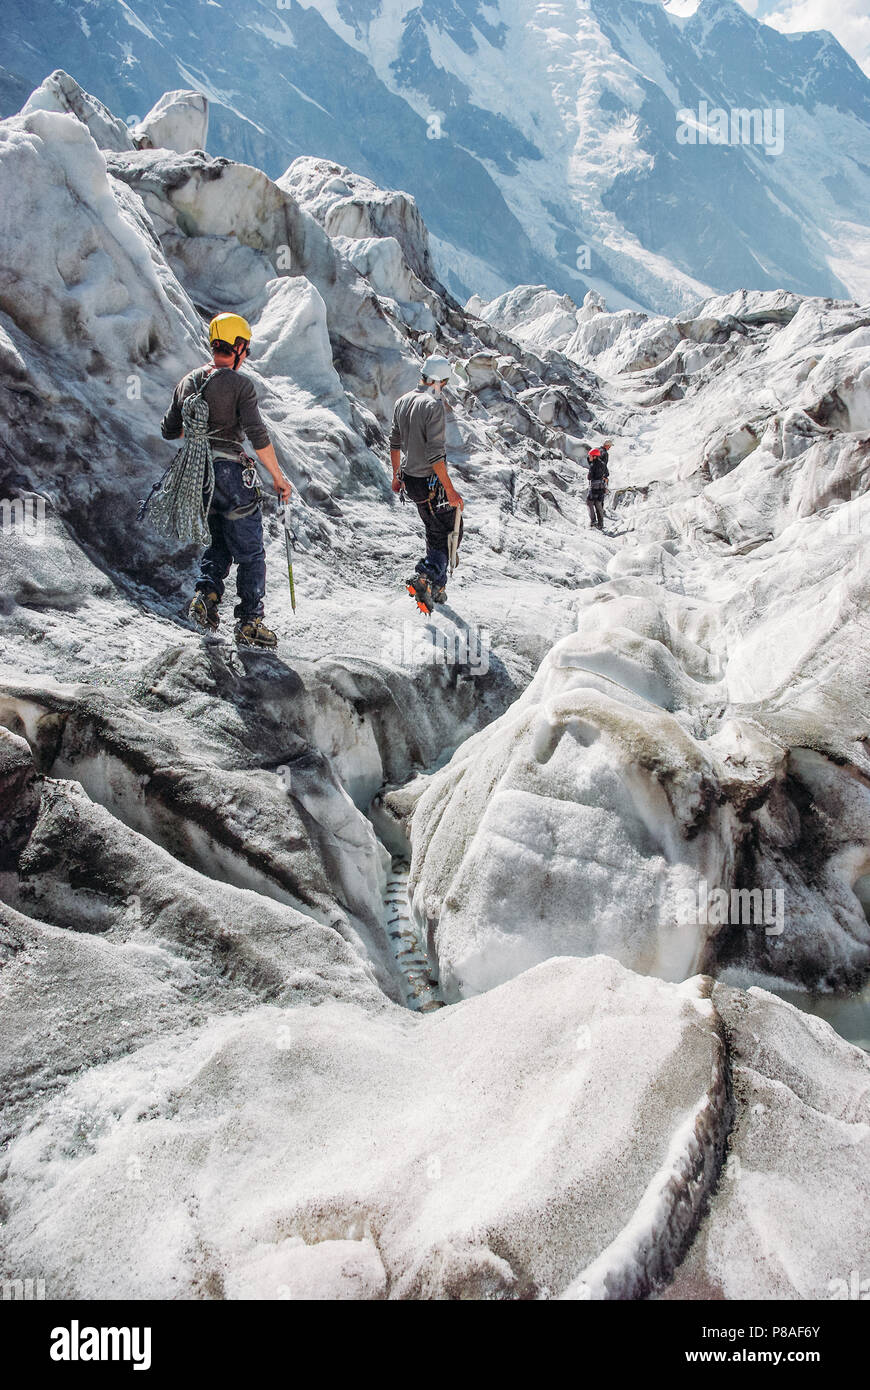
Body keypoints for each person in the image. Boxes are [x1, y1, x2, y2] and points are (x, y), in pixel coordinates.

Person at [161, 313, 292, 649]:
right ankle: (250, 622)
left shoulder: (187, 382)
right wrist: (278, 478)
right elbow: (257, 435)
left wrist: (200, 424)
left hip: (200, 477)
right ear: (237, 347)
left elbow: (169, 430)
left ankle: (206, 598)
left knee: (219, 541)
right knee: (251, 553)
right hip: (232, 473)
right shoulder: (240, 385)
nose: (245, 355)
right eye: (245, 349)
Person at [390, 354, 464, 613]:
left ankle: (437, 587)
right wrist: (451, 490)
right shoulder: (433, 405)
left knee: (435, 530)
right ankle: (425, 577)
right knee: (449, 533)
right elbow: (435, 455)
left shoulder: (402, 401)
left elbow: (395, 441)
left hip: (411, 481)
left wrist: (396, 475)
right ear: (441, 381)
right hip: (430, 482)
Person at [586, 440, 612, 530]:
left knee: (589, 502)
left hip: (594, 486)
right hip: (601, 485)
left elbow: (589, 477)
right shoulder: (603, 463)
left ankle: (593, 522)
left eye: (590, 456)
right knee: (598, 503)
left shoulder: (593, 465)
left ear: (593, 456)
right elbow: (607, 473)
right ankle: (600, 524)